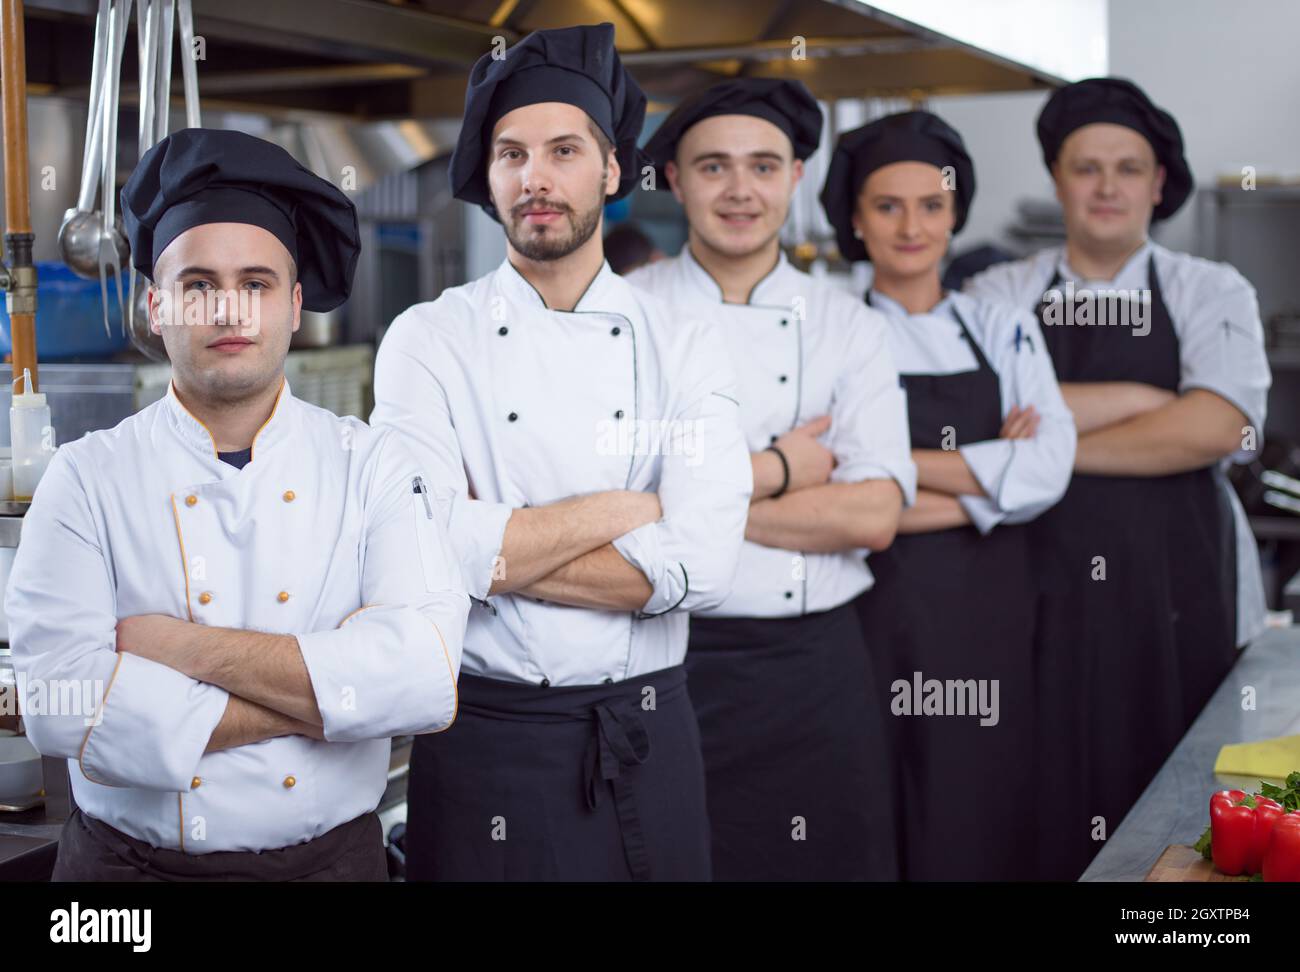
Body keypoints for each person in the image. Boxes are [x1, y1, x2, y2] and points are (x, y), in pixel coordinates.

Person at [5, 128, 469, 881]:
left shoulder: (372, 464)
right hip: (124, 879)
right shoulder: (85, 478)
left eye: (255, 284)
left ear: (293, 306)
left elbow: (422, 680)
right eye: (198, 285)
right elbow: (59, 704)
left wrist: (175, 649)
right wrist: (330, 697)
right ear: (155, 307)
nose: (229, 309)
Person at [370, 23, 752, 882]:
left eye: (563, 150)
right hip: (484, 743)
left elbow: (711, 562)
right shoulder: (429, 339)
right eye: (512, 154)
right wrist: (630, 511)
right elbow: (411, 549)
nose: (535, 178)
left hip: (647, 734)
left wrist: (485, 550)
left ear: (612, 169)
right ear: (490, 176)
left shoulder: (685, 340)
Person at [965, 78, 1272, 879]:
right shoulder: (999, 294)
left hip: (1179, 590)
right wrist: (1147, 402)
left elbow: (1218, 426)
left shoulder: (1211, 290)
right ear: (1057, 177)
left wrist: (1045, 440)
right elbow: (965, 418)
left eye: (1127, 168)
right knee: (1037, 780)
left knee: (1180, 789)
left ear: (1158, 183)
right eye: (1086, 167)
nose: (1107, 186)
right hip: (1029, 594)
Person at [629, 78, 913, 881]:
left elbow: (875, 513)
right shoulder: (621, 314)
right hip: (659, 661)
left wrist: (683, 498)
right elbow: (585, 503)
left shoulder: (847, 325)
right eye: (713, 167)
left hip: (811, 672)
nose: (740, 190)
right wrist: (784, 470)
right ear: (675, 181)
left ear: (794, 178)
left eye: (763, 166)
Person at [819, 109, 1075, 880]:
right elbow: (827, 480)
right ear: (855, 221)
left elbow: (1050, 467)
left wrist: (887, 467)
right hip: (870, 607)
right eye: (888, 207)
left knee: (982, 796)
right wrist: (990, 477)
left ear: (955, 213)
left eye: (932, 206)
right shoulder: (830, 332)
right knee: (877, 792)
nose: (912, 227)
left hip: (988, 613)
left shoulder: (1000, 324)